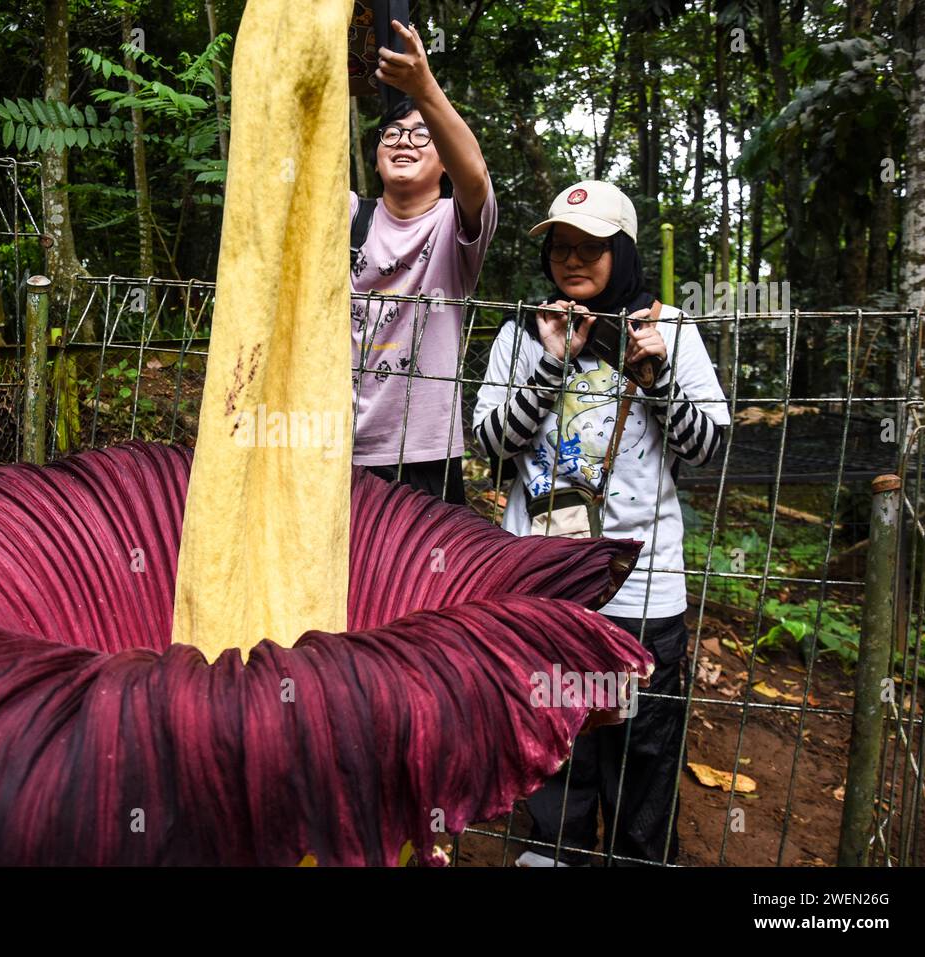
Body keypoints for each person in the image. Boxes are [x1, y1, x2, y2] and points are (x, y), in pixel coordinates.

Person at [472, 180, 730, 866]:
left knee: (641, 757)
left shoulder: (667, 327)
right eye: (561, 246)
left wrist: (658, 376)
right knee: (557, 739)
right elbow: (490, 443)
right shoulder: (520, 332)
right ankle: (552, 851)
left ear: (623, 250)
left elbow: (706, 449)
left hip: (642, 592)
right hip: (545, 583)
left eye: (591, 246)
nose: (572, 259)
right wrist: (550, 368)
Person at [349, 19, 497, 505]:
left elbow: (475, 176)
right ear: (374, 159)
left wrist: (422, 85)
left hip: (422, 454)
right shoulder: (349, 216)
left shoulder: (455, 227)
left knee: (421, 580)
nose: (404, 142)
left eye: (421, 136)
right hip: (334, 448)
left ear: (444, 162)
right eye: (391, 136)